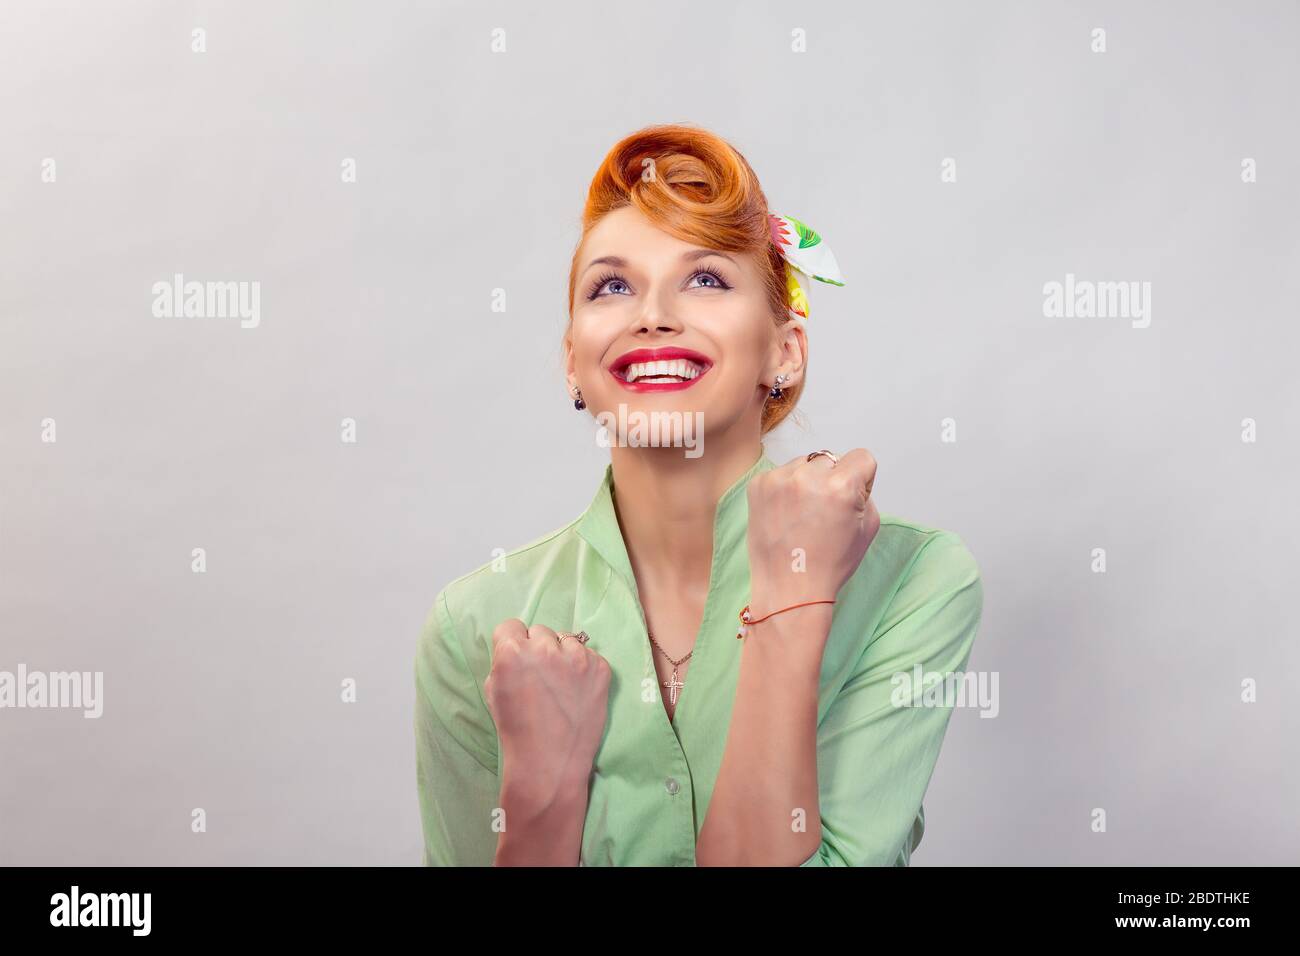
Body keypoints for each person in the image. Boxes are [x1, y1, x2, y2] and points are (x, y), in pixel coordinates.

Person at [414, 124, 984, 866]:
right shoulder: (473, 626)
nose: (652, 315)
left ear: (783, 351)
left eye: (707, 278)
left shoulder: (916, 580)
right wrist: (538, 807)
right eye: (612, 286)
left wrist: (792, 595)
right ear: (571, 362)